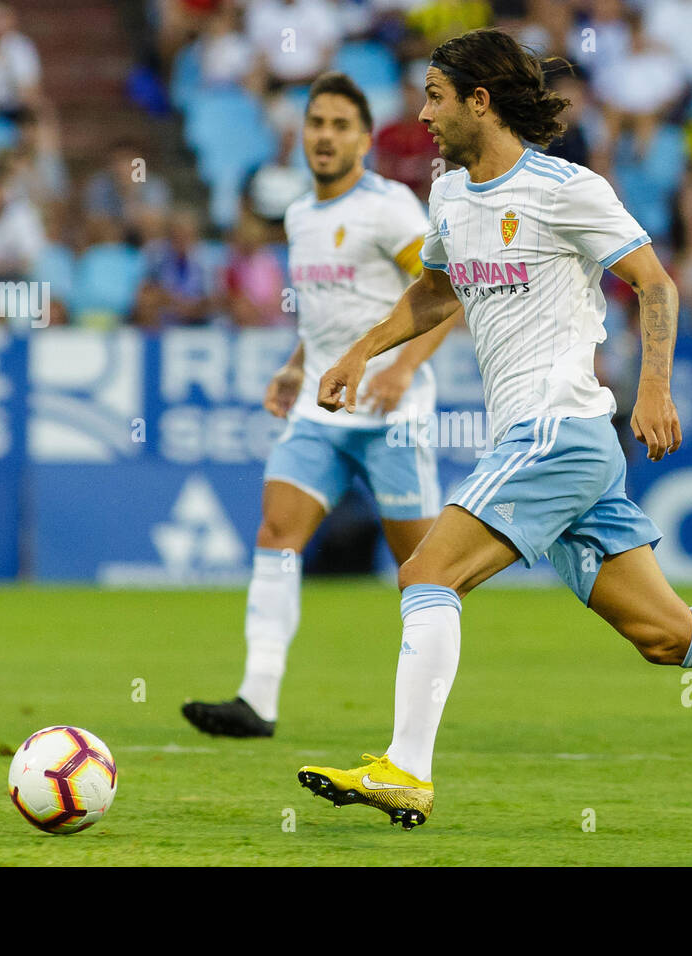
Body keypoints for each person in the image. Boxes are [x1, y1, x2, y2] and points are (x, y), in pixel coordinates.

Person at [298, 29, 692, 830]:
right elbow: (436, 291)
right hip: (548, 446)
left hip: (558, 431)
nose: (421, 115)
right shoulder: (450, 195)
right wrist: (361, 351)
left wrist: (653, 389)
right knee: (669, 635)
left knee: (427, 573)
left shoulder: (566, 190)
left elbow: (655, 285)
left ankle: (406, 771)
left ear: (479, 102)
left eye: (435, 97)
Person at [181, 72, 461, 738]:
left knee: (423, 572)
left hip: (392, 415)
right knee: (277, 532)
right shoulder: (300, 215)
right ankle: (257, 698)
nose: (325, 136)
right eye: (316, 123)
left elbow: (446, 294)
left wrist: (402, 369)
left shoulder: (389, 208)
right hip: (320, 409)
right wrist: (295, 365)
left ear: (364, 139)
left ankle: (420, 723)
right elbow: (326, 314)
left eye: (340, 125)